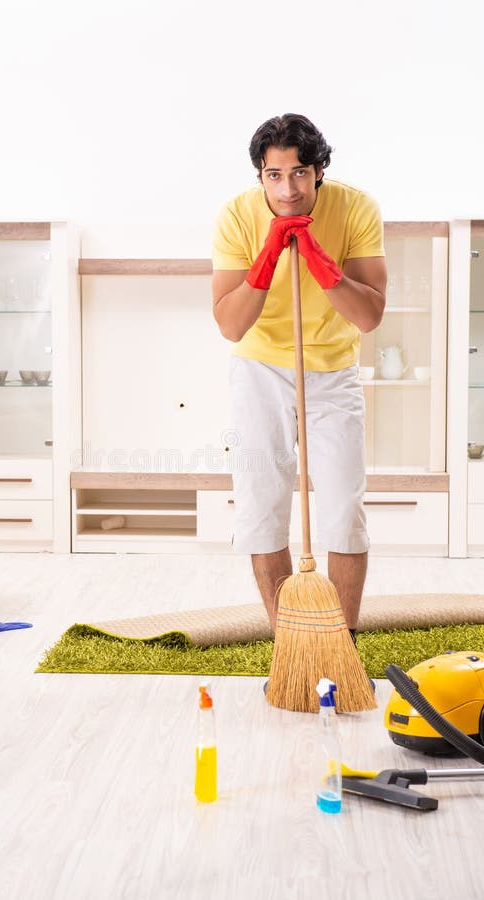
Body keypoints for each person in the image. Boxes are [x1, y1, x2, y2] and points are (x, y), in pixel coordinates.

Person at [212, 113, 386, 642]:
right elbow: (230, 323)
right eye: (274, 175)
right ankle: (290, 643)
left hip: (332, 368)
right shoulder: (236, 216)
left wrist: (319, 261)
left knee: (342, 508)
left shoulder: (356, 208)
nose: (288, 189)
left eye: (300, 173)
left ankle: (343, 644)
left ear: (319, 171)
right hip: (260, 368)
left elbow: (369, 315)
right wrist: (267, 257)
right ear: (259, 175)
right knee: (261, 504)